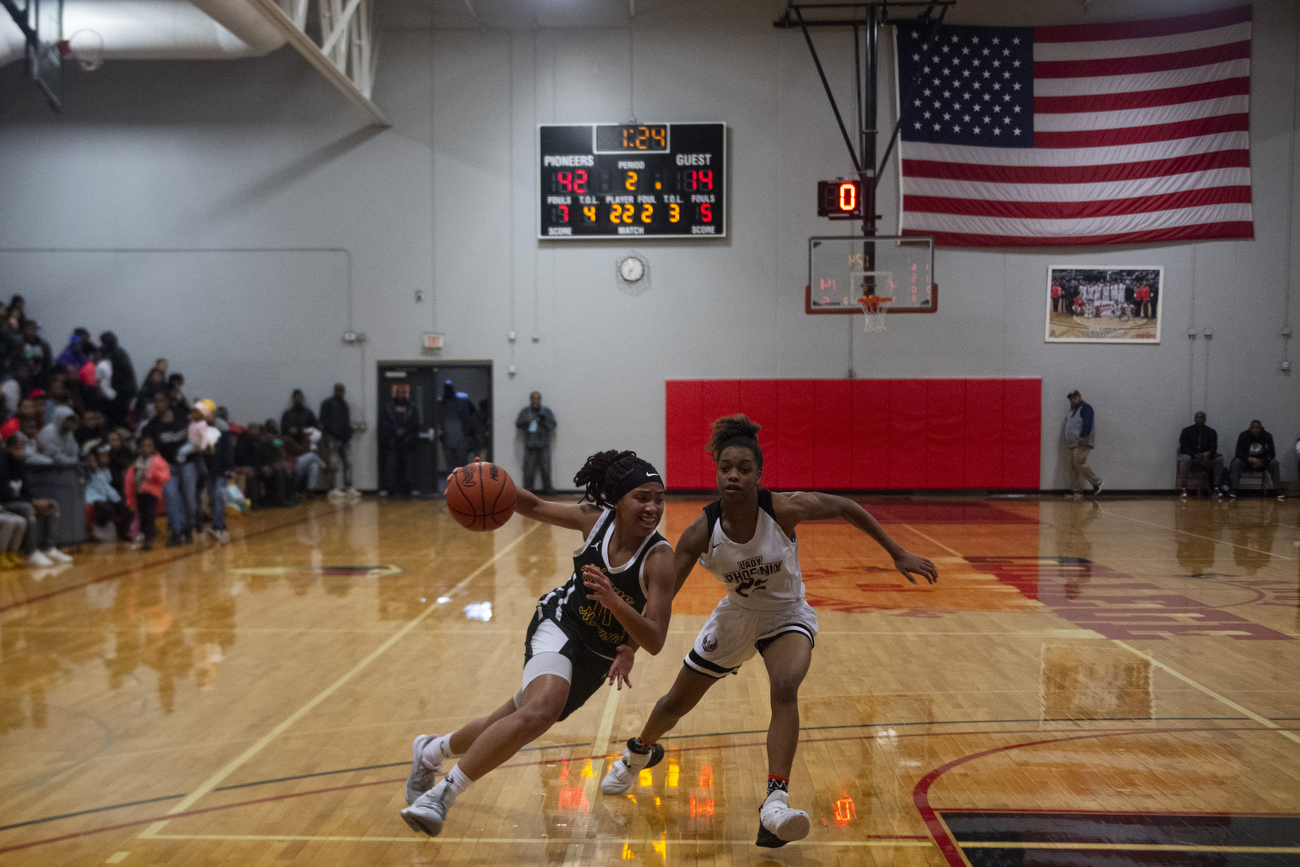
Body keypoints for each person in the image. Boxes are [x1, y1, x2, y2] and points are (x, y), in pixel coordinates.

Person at [596, 415, 937, 849]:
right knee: (677, 701)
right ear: (716, 471)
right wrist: (628, 646)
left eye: (743, 468)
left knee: (785, 683)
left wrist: (897, 552)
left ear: (759, 474)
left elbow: (847, 506)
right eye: (725, 468)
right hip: (737, 616)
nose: (733, 475)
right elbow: (662, 601)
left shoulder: (785, 508)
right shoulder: (702, 531)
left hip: (786, 614)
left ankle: (775, 802)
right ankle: (639, 751)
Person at [400, 451, 675, 839]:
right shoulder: (593, 522)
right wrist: (476, 475)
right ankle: (441, 795)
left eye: (659, 498)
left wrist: (620, 618)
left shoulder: (661, 559)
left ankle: (431, 750)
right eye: (642, 497)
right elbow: (528, 504)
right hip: (560, 623)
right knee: (541, 711)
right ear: (618, 500)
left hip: (596, 659)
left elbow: (657, 638)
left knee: (513, 720)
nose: (652, 507)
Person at [0, 433, 72, 567]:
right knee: (28, 508)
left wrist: (37, 500)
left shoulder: (20, 465)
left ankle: (49, 548)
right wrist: (32, 502)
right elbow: (5, 494)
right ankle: (31, 551)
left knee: (52, 505)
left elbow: (26, 490)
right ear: (8, 449)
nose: (22, 452)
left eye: (23, 448)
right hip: (6, 504)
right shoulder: (3, 465)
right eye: (17, 448)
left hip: (20, 501)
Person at [141, 391, 192, 545]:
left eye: (161, 401)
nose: (158, 404)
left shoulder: (182, 416)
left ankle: (188, 527)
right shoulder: (152, 426)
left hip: (188, 461)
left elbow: (196, 434)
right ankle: (176, 532)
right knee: (170, 496)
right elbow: (150, 448)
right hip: (167, 465)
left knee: (189, 499)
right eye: (155, 401)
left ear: (169, 402)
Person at [125, 437, 170, 551]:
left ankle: (148, 539)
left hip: (151, 493)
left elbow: (165, 475)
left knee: (149, 515)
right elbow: (131, 479)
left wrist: (155, 476)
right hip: (139, 493)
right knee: (143, 516)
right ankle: (146, 536)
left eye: (149, 446)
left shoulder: (157, 461)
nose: (146, 448)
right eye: (143, 446)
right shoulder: (136, 463)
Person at [1227, 419, 1283, 500]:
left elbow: (1272, 453)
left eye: (1257, 428)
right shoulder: (1243, 435)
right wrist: (1248, 458)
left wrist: (1262, 461)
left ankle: (1277, 490)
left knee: (1274, 463)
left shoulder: (1267, 436)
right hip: (1247, 461)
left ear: (1261, 428)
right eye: (1253, 428)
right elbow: (1238, 453)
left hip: (1262, 461)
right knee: (1236, 462)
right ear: (1250, 428)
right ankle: (1234, 490)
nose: (1255, 430)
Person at [379, 385, 418, 498]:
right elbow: (383, 422)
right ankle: (389, 489)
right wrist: (395, 431)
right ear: (395, 393)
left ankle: (409, 489)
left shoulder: (411, 407)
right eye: (398, 392)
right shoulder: (388, 406)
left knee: (408, 466)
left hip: (407, 440)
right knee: (391, 466)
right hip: (392, 440)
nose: (401, 394)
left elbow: (415, 423)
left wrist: (405, 431)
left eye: (403, 392)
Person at [319, 383, 356, 498]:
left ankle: (348, 487)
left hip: (344, 439)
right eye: (338, 389)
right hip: (332, 438)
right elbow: (323, 421)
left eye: (342, 390)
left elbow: (346, 421)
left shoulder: (345, 404)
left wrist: (348, 434)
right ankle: (332, 488)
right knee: (333, 465)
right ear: (335, 390)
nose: (341, 392)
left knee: (348, 463)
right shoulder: (327, 403)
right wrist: (331, 433)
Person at [516, 391, 557, 495]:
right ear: (530, 399)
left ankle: (548, 490)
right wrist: (526, 421)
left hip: (544, 445)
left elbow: (553, 424)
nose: (535, 400)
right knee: (528, 470)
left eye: (538, 398)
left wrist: (543, 422)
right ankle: (527, 491)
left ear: (540, 399)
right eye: (533, 398)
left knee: (546, 469)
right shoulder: (525, 411)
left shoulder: (546, 411)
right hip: (530, 445)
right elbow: (518, 424)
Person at [1063, 390, 1102, 499]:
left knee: (1079, 462)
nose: (1072, 400)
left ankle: (1097, 483)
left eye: (1074, 397)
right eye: (1070, 398)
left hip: (1082, 442)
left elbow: (1088, 422)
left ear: (1079, 397)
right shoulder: (1071, 411)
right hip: (1073, 444)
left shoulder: (1085, 408)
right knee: (1071, 467)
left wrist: (1083, 435)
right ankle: (1077, 492)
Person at [1178, 411, 1224, 497]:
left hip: (1205, 458)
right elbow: (1183, 447)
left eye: (1201, 417)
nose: (1199, 419)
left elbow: (1214, 448)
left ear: (1205, 419)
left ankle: (1216, 487)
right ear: (1194, 419)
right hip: (1191, 458)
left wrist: (1208, 453)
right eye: (1197, 417)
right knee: (1186, 458)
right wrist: (1195, 455)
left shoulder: (1211, 432)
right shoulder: (1186, 431)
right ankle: (1184, 488)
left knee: (1219, 459)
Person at [97, 332, 137, 429]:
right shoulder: (120, 352)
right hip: (125, 389)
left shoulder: (117, 355)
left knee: (117, 417)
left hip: (123, 390)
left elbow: (118, 375)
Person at [438, 381, 478, 474]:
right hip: (450, 439)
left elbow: (473, 415)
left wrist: (470, 434)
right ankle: (456, 484)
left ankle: (461, 484)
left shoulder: (463, 400)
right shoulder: (442, 402)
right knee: (453, 465)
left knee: (460, 464)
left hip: (461, 438)